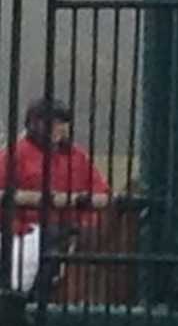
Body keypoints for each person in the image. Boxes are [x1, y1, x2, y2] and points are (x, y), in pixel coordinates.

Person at [3, 96, 109, 295]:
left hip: (66, 227)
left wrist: (87, 221)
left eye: (62, 123)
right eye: (53, 123)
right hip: (26, 229)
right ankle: (17, 300)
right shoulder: (16, 154)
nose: (59, 128)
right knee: (23, 265)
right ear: (34, 124)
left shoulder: (76, 156)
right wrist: (15, 225)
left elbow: (100, 190)